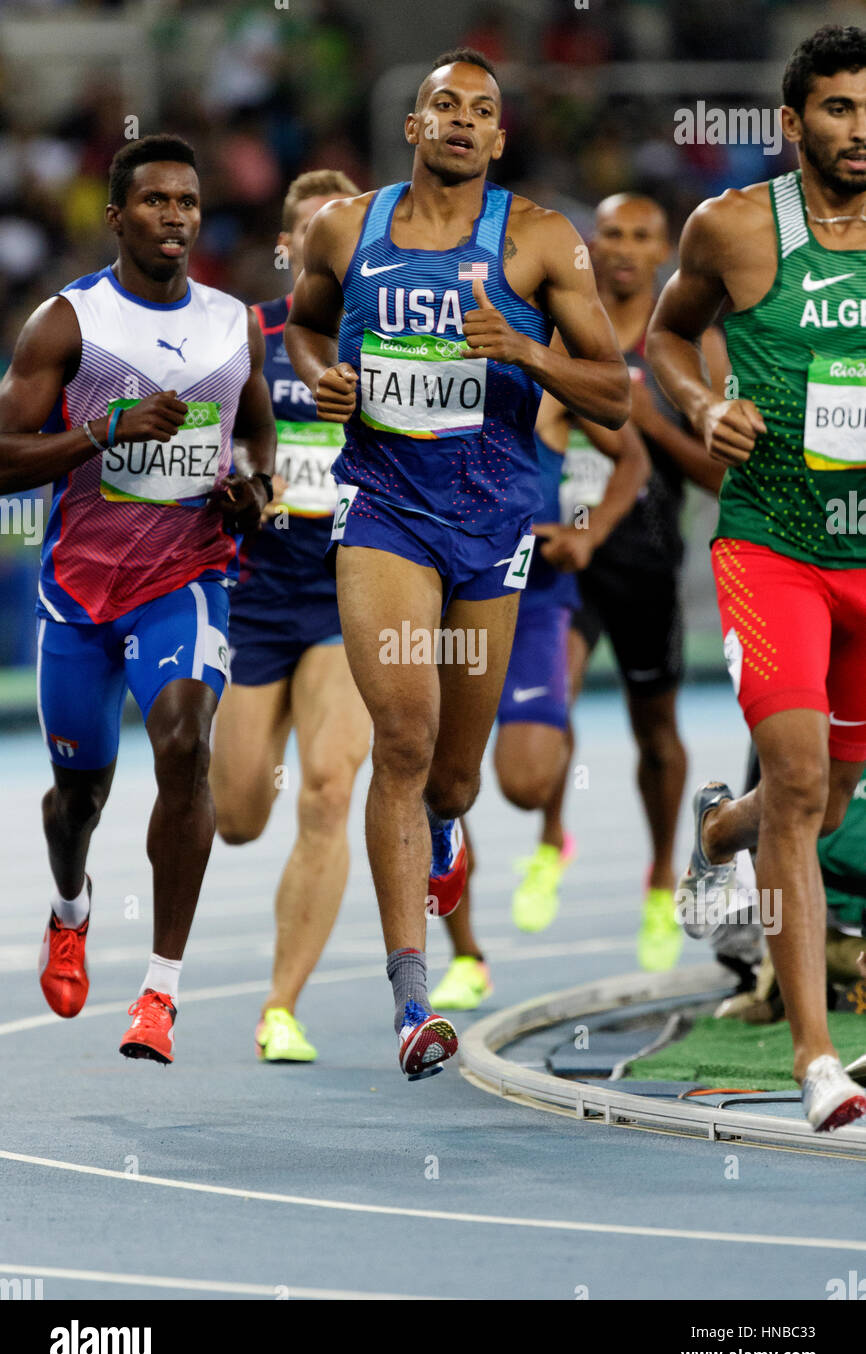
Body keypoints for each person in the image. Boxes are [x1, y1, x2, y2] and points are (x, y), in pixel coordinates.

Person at [285, 48, 630, 1078]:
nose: (462, 122)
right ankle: (409, 998)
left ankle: (444, 826)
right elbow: (304, 324)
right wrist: (323, 378)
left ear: (498, 137)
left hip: (492, 526)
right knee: (401, 732)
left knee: (452, 772)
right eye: (444, 105)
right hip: (383, 511)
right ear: (413, 123)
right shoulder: (345, 226)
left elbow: (612, 392)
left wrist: (524, 353)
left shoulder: (536, 241)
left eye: (481, 111)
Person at [0, 134, 275, 1064]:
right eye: (155, 201)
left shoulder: (235, 325)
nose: (175, 217)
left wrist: (253, 489)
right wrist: (99, 433)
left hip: (187, 581)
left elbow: (256, 438)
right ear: (117, 216)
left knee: (187, 748)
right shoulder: (66, 325)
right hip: (80, 597)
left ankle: (160, 992)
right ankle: (70, 907)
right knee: (78, 798)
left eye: (189, 203)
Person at [646, 24, 866, 1131]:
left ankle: (720, 830)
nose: (858, 130)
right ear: (790, 123)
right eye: (836, 109)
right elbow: (666, 339)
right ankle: (817, 1060)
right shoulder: (731, 228)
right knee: (797, 781)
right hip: (771, 544)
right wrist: (701, 405)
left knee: (820, 801)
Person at [522, 194, 727, 972]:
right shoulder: (561, 325)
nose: (623, 249)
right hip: (560, 550)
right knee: (554, 696)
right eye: (610, 232)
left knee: (655, 731)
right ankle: (549, 838)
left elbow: (718, 472)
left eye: (642, 236)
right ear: (591, 242)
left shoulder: (688, 345)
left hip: (644, 556)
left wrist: (648, 420)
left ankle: (654, 876)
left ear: (665, 249)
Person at [210, 169, 371, 1064]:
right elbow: (201, 443)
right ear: (286, 247)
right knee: (238, 815)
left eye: (338, 232)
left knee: (327, 791)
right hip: (253, 592)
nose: (323, 246)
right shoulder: (244, 340)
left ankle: (281, 1005)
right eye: (307, 233)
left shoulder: (394, 345)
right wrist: (237, 487)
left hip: (347, 593)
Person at [431, 406, 650, 1011]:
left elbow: (632, 456)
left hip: (533, 598)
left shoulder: (546, 383)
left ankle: (553, 829)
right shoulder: (410, 358)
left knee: (525, 783)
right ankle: (467, 956)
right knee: (437, 780)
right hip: (439, 600)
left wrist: (590, 531)